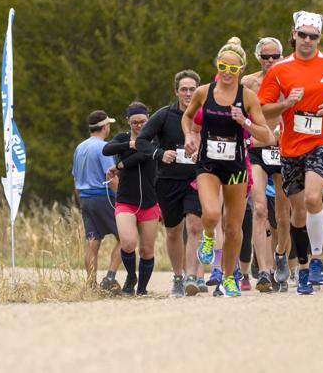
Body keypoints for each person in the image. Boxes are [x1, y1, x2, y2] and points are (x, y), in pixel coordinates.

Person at [258, 11, 323, 294]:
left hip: (322, 142)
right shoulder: (279, 69)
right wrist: (286, 103)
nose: (308, 40)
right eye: (303, 35)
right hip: (290, 148)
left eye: (313, 36)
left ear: (319, 38)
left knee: (313, 198)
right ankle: (301, 268)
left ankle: (316, 259)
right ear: (294, 34)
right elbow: (263, 109)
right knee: (297, 211)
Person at [184, 37, 273, 297]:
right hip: (208, 165)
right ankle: (208, 237)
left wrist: (245, 122)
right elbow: (188, 116)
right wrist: (189, 136)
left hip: (236, 167)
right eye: (223, 66)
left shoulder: (248, 97)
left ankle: (228, 277)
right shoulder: (204, 92)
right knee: (211, 214)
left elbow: (267, 136)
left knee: (234, 228)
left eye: (233, 68)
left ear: (241, 70)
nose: (227, 72)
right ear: (218, 65)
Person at [137, 70, 206, 297]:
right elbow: (141, 140)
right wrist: (159, 153)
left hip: (197, 179)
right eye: (184, 89)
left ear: (199, 91)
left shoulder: (205, 115)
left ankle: (192, 276)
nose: (188, 93)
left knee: (195, 226)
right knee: (174, 231)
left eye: (192, 89)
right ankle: (178, 277)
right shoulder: (164, 115)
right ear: (176, 91)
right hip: (168, 181)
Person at [242, 37, 286, 293]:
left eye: (275, 56)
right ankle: (265, 271)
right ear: (258, 57)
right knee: (259, 209)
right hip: (257, 149)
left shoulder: (290, 79)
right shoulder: (248, 83)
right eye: (266, 56)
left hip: (284, 148)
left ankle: (281, 259)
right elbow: (239, 113)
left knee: (283, 214)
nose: (270, 61)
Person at [102, 103, 160, 295]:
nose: (139, 126)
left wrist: (119, 165)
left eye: (143, 121)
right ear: (128, 121)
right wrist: (129, 144)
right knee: (127, 243)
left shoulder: (154, 139)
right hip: (126, 200)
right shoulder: (122, 138)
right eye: (134, 122)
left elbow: (143, 156)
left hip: (149, 200)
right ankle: (131, 276)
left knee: (147, 250)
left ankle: (141, 289)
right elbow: (107, 149)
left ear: (149, 119)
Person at [72, 110, 122, 291]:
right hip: (103, 196)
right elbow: (110, 176)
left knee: (93, 241)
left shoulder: (80, 147)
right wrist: (122, 197)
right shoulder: (104, 147)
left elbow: (75, 178)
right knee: (125, 238)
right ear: (105, 127)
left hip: (85, 198)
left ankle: (91, 283)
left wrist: (80, 200)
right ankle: (110, 277)